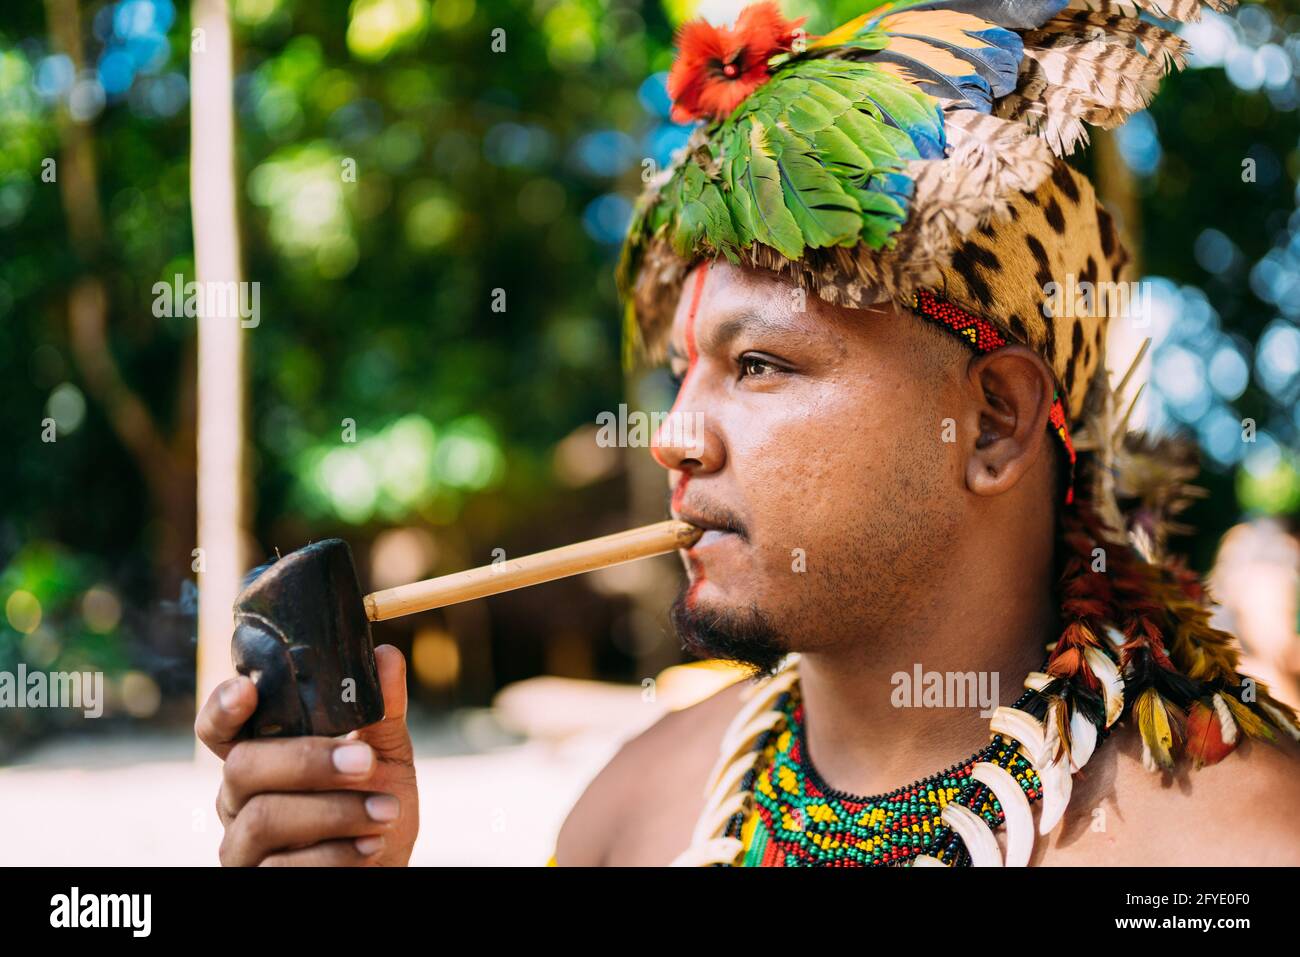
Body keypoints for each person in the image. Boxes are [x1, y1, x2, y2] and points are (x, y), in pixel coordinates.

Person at [196, 0, 1300, 866]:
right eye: (683, 374)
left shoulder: (1236, 844)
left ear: (993, 424)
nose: (673, 437)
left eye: (759, 364)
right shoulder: (632, 811)